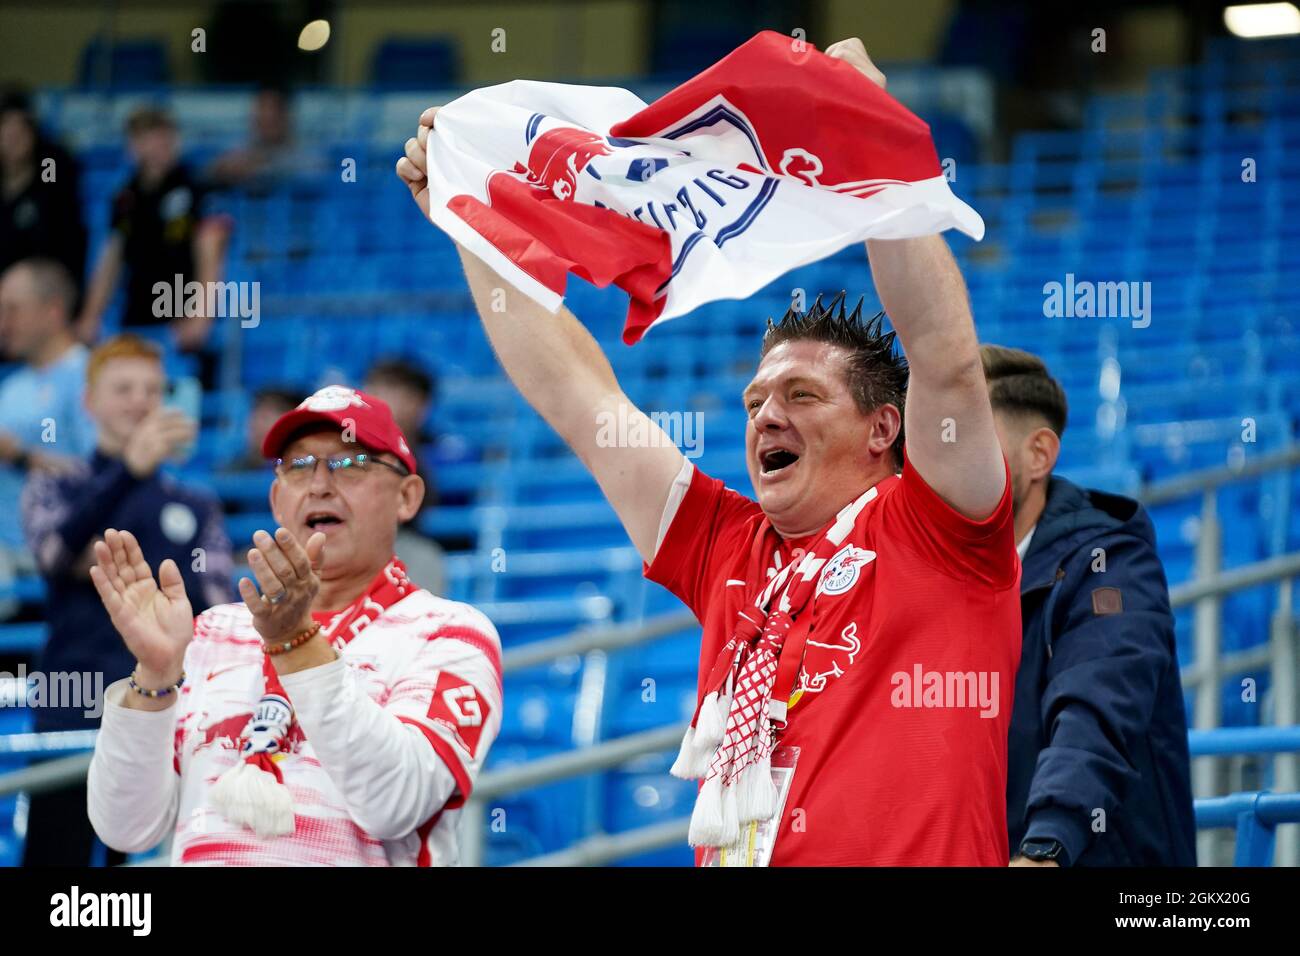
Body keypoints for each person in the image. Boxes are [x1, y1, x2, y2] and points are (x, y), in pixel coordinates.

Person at [398, 37, 1021, 866]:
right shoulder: (726, 545)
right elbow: (582, 403)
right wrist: (466, 216)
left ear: (884, 429)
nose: (767, 417)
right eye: (756, 402)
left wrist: (871, 143)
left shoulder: (942, 529)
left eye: (802, 396)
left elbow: (942, 357)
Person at [86, 385, 502, 866]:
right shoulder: (210, 633)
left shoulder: (450, 633)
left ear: (407, 497)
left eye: (350, 464)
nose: (320, 484)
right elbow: (127, 826)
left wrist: (296, 645)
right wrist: (154, 678)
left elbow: (394, 803)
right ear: (277, 498)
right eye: (299, 466)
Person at [19, 333, 233, 866]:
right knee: (56, 855)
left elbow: (215, 606)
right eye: (123, 389)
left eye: (151, 390)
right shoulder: (54, 485)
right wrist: (127, 473)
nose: (139, 401)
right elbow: (53, 553)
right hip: (72, 697)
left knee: (139, 863)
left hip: (164, 706)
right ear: (89, 402)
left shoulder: (196, 503)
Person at [981, 344, 1197, 866]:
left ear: (1039, 454)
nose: (944, 456)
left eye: (968, 435)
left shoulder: (1111, 563)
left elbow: (1096, 710)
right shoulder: (930, 575)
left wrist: (1046, 843)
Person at [76, 106, 229, 382]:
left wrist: (200, 316)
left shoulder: (196, 188)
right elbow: (111, 258)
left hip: (180, 309)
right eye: (149, 138)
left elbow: (211, 254)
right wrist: (91, 315)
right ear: (133, 146)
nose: (160, 146)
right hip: (136, 313)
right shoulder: (125, 196)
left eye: (165, 137)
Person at [0, 260, 97, 559]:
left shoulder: (90, 375)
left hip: (56, 551)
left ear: (52, 312)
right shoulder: (12, 385)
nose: (3, 324)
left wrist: (21, 455)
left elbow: (105, 473)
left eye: (13, 310)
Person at [363, 359, 446, 593]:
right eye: (373, 386)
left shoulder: (445, 452)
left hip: (409, 541)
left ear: (420, 403)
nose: (379, 397)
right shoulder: (346, 446)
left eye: (392, 389)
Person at [0, 88, 87, 290]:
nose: (13, 140)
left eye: (21, 131)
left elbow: (54, 220)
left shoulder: (51, 164)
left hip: (44, 283)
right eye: (6, 132)